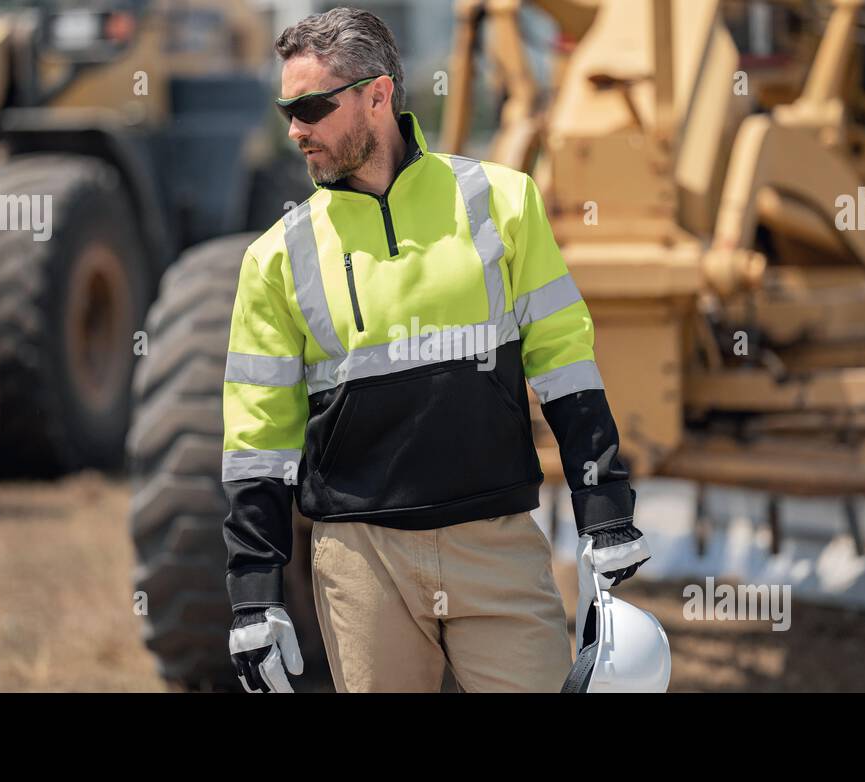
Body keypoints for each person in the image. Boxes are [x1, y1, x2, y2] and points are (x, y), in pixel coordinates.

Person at [223, 7, 650, 693]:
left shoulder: (503, 203)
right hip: (362, 563)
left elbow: (564, 363)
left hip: (498, 545)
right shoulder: (276, 257)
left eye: (311, 107)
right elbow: (257, 439)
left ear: (377, 94)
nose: (296, 130)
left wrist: (604, 510)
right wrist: (254, 592)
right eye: (287, 111)